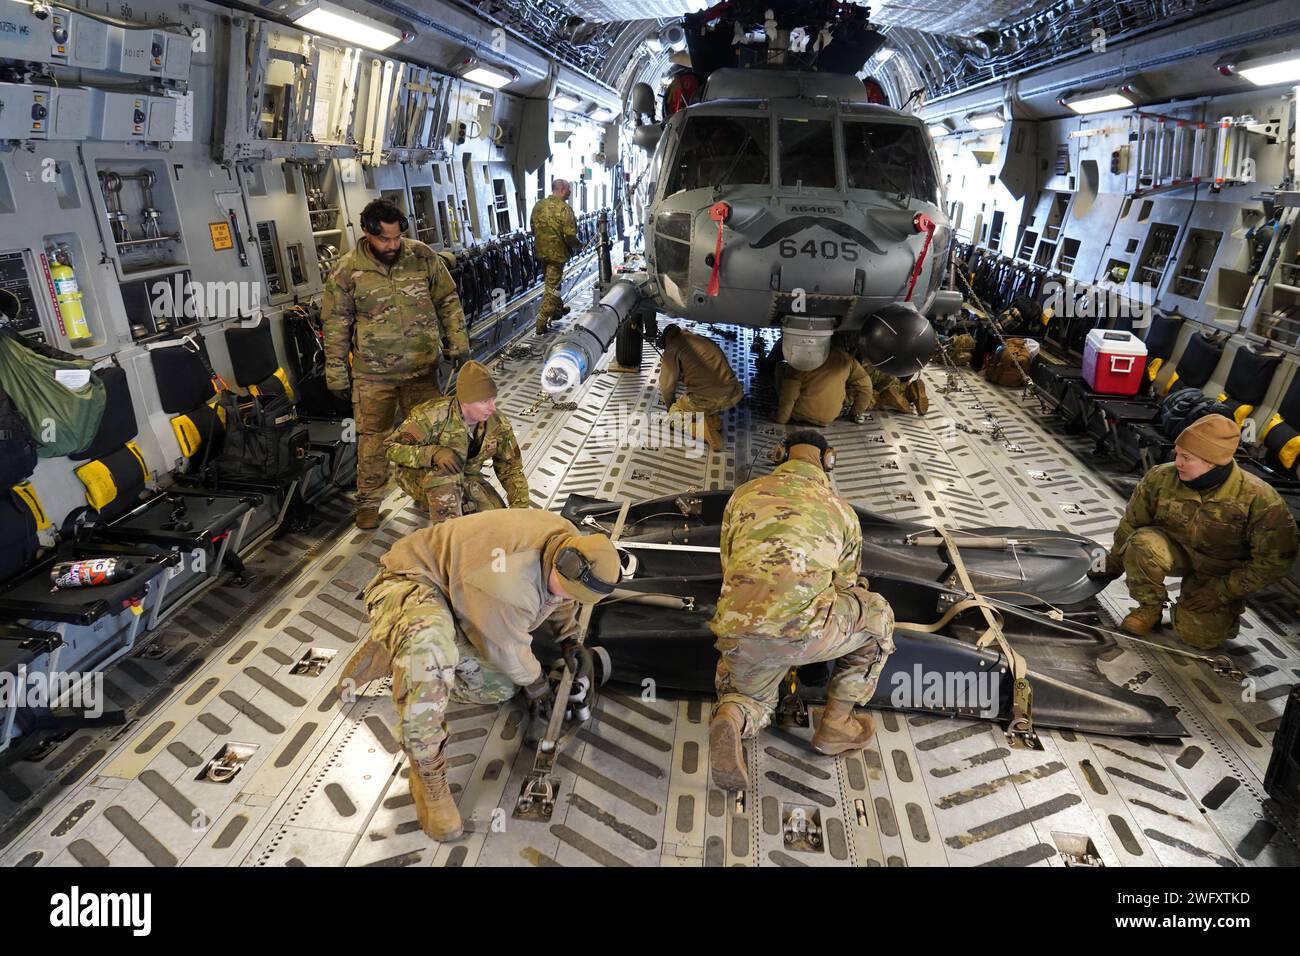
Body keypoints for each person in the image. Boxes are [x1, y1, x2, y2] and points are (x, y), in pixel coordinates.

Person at [339, 511, 620, 840]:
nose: (567, 597)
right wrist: (538, 684)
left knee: (498, 688)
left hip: (459, 599)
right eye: (570, 590)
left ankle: (400, 646)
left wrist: (569, 638)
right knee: (430, 659)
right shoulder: (509, 582)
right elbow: (507, 649)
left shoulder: (571, 543)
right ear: (561, 560)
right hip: (410, 582)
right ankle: (427, 771)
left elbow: (559, 596)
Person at [708, 430, 896, 791]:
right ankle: (836, 726)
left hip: (737, 631)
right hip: (804, 633)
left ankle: (732, 717)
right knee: (877, 614)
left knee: (749, 696)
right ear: (828, 461)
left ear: (781, 455)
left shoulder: (742, 495)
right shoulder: (842, 512)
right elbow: (845, 587)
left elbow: (729, 565)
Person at [322, 198, 468, 529]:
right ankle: (369, 503)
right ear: (366, 232)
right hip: (373, 376)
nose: (392, 245)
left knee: (428, 438)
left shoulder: (421, 256)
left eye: (397, 238)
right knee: (373, 440)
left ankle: (427, 493)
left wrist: (458, 343)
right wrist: (336, 375)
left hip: (421, 370)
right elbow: (335, 324)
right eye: (384, 239)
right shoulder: (347, 270)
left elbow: (447, 300)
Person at [1100, 414, 1298, 648]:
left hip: (1220, 570)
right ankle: (1150, 608)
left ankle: (1205, 612)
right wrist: (1113, 563)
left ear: (1214, 462)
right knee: (1141, 542)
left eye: (1186, 457)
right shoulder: (1161, 477)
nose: (1177, 462)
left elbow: (1274, 563)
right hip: (1176, 550)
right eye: (1177, 454)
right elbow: (1132, 523)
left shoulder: (1260, 499)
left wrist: (1222, 592)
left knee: (1200, 638)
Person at [386, 360, 530, 523]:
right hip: (419, 476)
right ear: (465, 402)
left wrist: (521, 511)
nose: (492, 408)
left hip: (467, 476)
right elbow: (390, 447)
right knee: (447, 479)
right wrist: (433, 453)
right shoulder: (431, 416)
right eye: (484, 401)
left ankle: (449, 505)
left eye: (493, 399)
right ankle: (446, 531)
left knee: (495, 519)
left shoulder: (497, 423)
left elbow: (511, 469)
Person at [659, 324, 744, 452]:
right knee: (702, 401)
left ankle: (705, 431)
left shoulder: (672, 348)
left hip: (709, 398)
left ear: (667, 339)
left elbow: (666, 387)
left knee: (673, 416)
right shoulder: (698, 338)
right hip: (733, 393)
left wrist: (671, 407)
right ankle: (713, 421)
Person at [773, 346, 873, 427]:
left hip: (799, 413)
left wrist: (782, 418)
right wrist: (856, 413)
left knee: (781, 367)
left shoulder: (804, 356)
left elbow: (790, 390)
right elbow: (866, 387)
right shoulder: (848, 360)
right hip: (829, 418)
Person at [530, 180, 580, 334]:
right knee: (552, 290)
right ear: (563, 190)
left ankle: (558, 310)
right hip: (557, 256)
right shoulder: (564, 209)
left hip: (542, 253)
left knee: (551, 284)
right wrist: (579, 246)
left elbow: (532, 228)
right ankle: (541, 322)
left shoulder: (538, 206)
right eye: (569, 189)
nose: (570, 192)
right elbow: (570, 235)